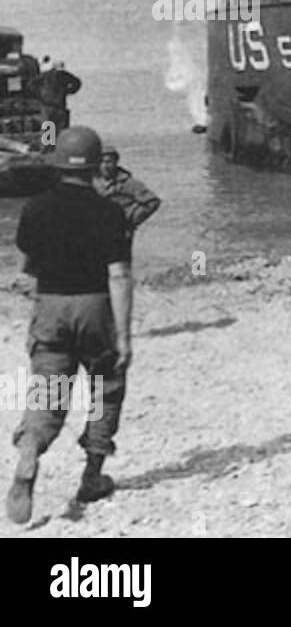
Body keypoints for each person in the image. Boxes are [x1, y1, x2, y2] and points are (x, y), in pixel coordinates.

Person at [7, 126, 132, 524]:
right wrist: (124, 335)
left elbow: (28, 266)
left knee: (50, 391)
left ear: (58, 162)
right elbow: (119, 275)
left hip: (52, 306)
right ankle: (92, 477)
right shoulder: (110, 211)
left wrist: (40, 310)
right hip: (95, 307)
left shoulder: (35, 208)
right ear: (96, 164)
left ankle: (30, 450)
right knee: (106, 387)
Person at [94, 146, 161, 244]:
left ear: (116, 162)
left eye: (108, 162)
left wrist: (131, 217)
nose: (105, 166)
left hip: (119, 234)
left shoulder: (128, 183)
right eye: (101, 162)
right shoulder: (93, 181)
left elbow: (152, 202)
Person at [31, 59, 81, 129]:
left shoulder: (45, 75)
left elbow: (32, 84)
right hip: (58, 106)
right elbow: (77, 83)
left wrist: (39, 94)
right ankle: (57, 139)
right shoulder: (64, 75)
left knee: (49, 130)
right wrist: (68, 91)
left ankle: (49, 139)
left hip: (48, 106)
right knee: (60, 129)